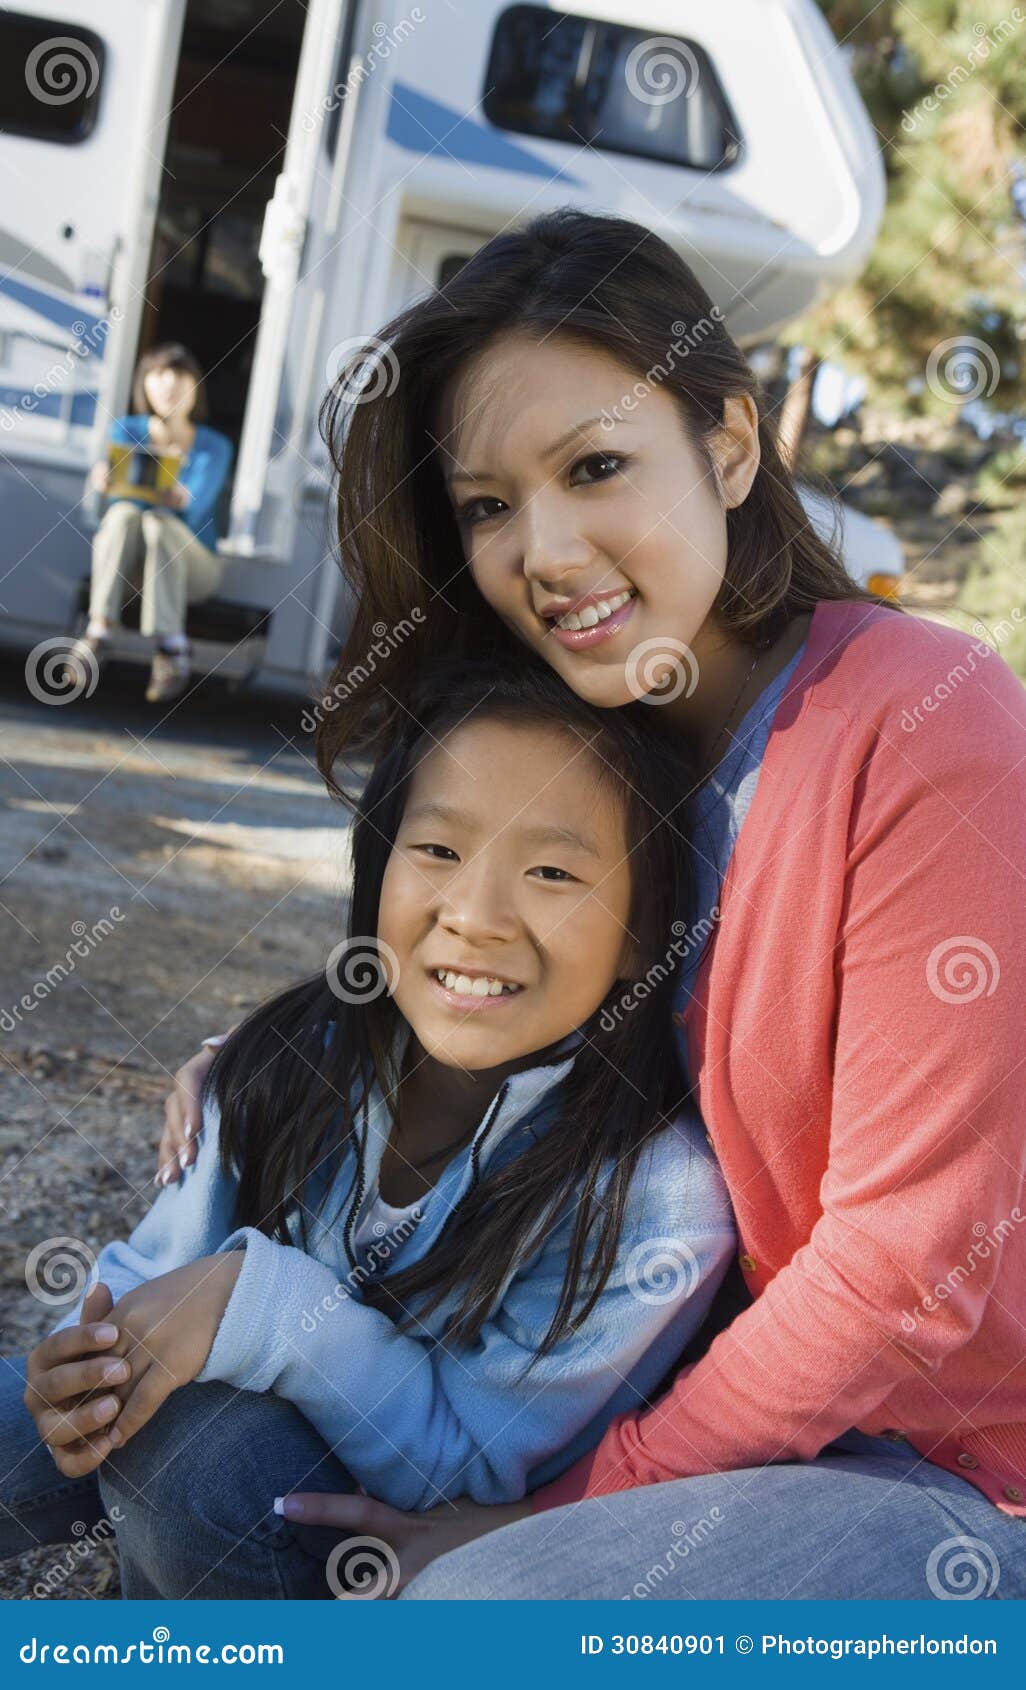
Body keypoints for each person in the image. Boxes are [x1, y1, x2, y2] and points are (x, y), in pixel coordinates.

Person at [164, 207, 1026, 1601]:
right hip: (635, 1389)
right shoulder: (603, 734)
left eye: (597, 466)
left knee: (468, 1609)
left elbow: (903, 1267)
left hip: (941, 1465)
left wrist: (564, 1512)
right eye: (491, 504)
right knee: (195, 1459)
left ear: (731, 447)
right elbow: (493, 997)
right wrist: (284, 1056)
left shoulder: (923, 718)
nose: (544, 551)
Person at [1, 658, 736, 1599]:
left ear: (645, 928)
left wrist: (263, 1306)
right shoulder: (285, 1058)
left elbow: (463, 1476)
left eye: (553, 871)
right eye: (436, 851)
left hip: (378, 1550)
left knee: (196, 1452)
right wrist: (86, 1362)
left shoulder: (652, 1201)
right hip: (203, 1464)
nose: (473, 916)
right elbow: (153, 1279)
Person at [70, 342, 234, 704]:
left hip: (194, 565)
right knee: (123, 514)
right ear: (143, 385)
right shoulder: (126, 430)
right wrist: (108, 484)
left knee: (159, 522)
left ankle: (171, 648)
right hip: (135, 565)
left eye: (178, 376)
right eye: (158, 375)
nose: (168, 385)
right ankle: (98, 632)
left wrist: (171, 497)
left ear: (196, 387)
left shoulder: (215, 446)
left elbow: (194, 509)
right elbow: (122, 502)